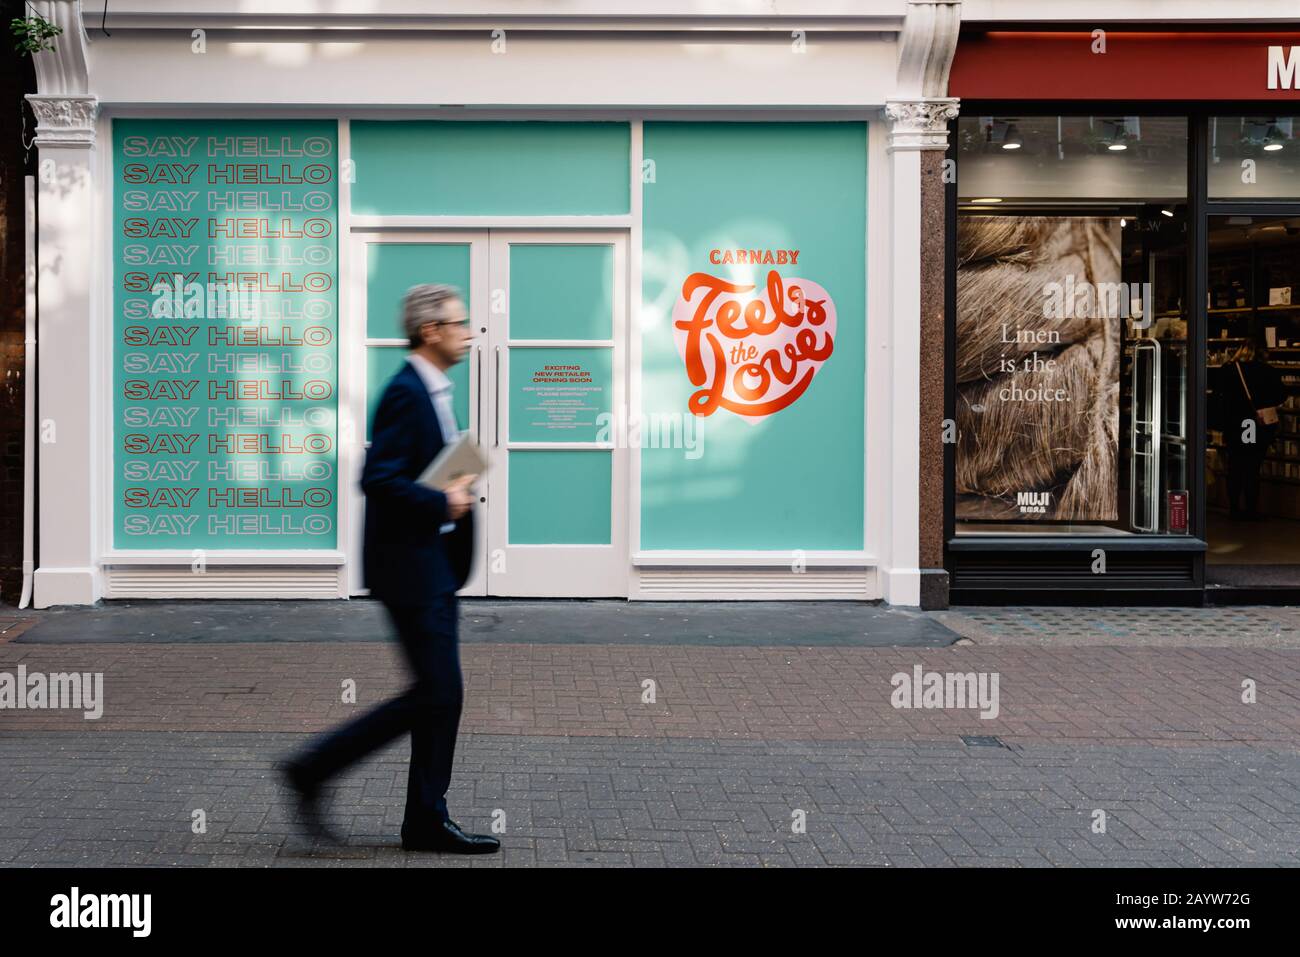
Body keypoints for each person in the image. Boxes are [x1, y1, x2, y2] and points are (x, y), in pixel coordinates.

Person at [279, 283, 499, 854]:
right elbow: (377, 479)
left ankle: (424, 819)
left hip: (435, 567)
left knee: (440, 695)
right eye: (459, 322)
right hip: (410, 569)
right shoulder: (407, 391)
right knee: (436, 692)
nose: (468, 332)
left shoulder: (435, 390)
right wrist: (442, 501)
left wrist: (458, 479)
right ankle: (313, 769)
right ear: (431, 331)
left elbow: (420, 469)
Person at [1214, 339, 1285, 521]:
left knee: (1235, 466)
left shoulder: (1228, 370)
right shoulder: (1268, 371)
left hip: (1233, 424)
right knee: (1251, 467)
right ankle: (1251, 509)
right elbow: (1280, 396)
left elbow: (1217, 396)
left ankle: (1234, 508)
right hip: (1252, 425)